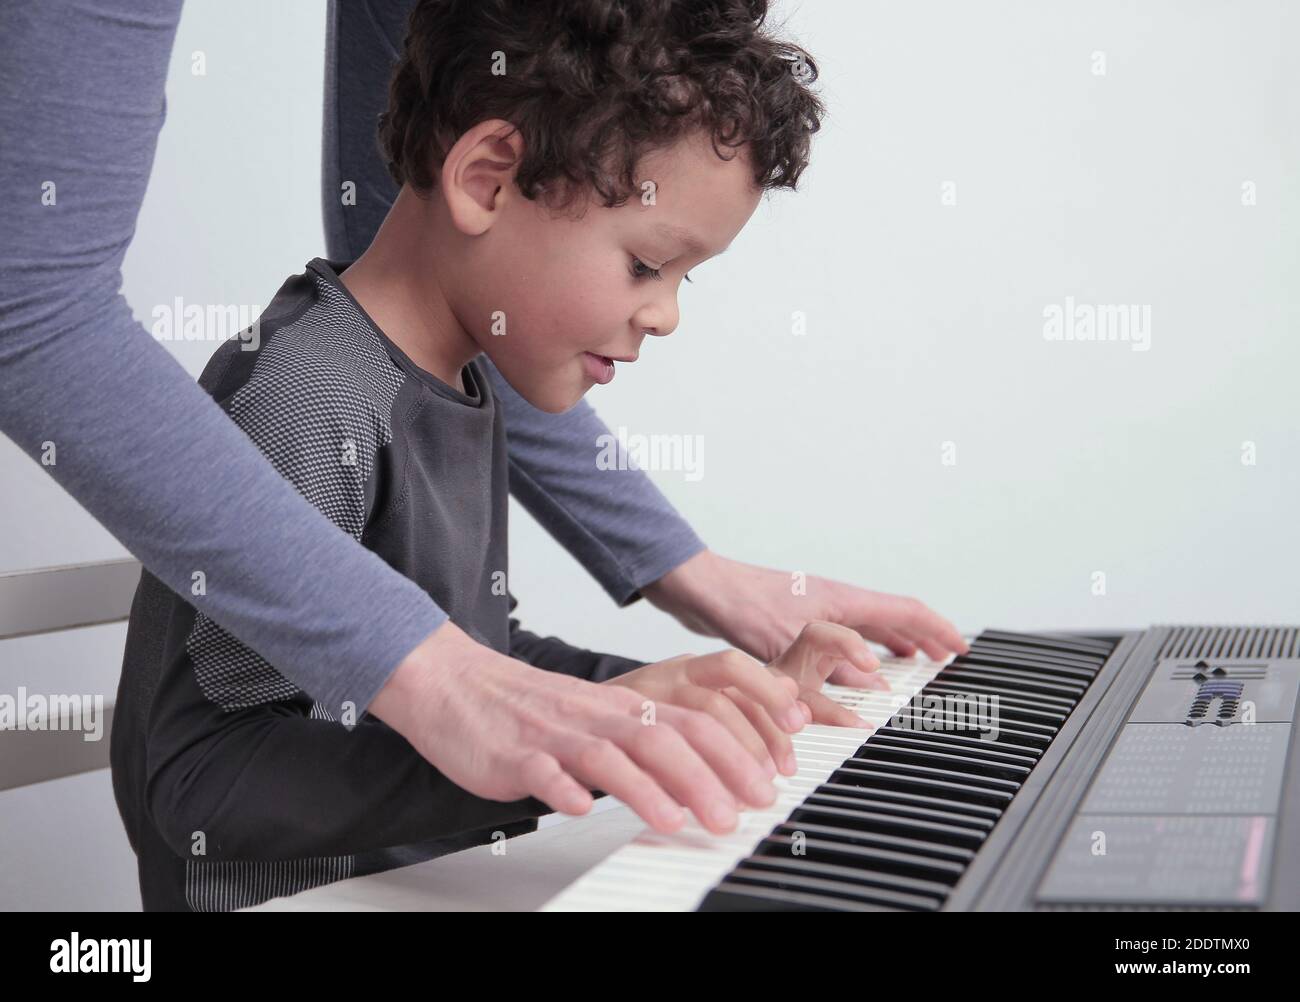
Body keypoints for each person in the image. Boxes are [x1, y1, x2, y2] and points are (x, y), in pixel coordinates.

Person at [0, 0, 966, 889]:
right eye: (646, 264)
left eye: (683, 280)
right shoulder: (311, 389)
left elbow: (480, 659)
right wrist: (546, 770)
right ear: (486, 179)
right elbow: (196, 780)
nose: (666, 316)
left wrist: (677, 714)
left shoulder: (461, 381)